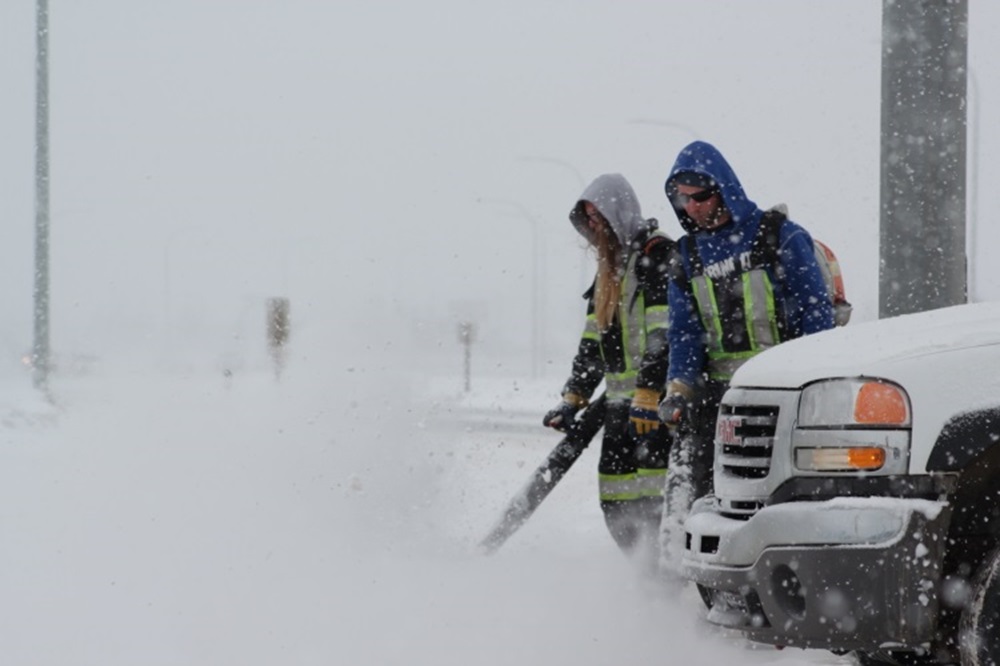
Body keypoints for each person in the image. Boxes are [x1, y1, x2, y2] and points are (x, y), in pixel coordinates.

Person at [656, 141, 835, 569]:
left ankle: (779, 570)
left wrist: (815, 384)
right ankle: (682, 574)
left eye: (700, 196)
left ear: (724, 190)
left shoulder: (779, 237)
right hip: (717, 398)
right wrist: (678, 389)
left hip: (780, 393)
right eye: (682, 199)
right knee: (694, 489)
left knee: (776, 495)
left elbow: (815, 314)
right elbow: (684, 333)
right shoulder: (687, 257)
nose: (691, 207)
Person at [543, 173, 675, 560]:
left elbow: (663, 333)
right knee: (616, 496)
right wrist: (574, 397)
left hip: (653, 408)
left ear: (618, 213)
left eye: (598, 217)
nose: (594, 227)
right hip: (618, 407)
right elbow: (592, 344)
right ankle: (638, 569)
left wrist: (649, 391)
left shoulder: (656, 256)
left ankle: (664, 573)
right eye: (588, 219)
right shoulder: (608, 272)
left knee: (656, 494)